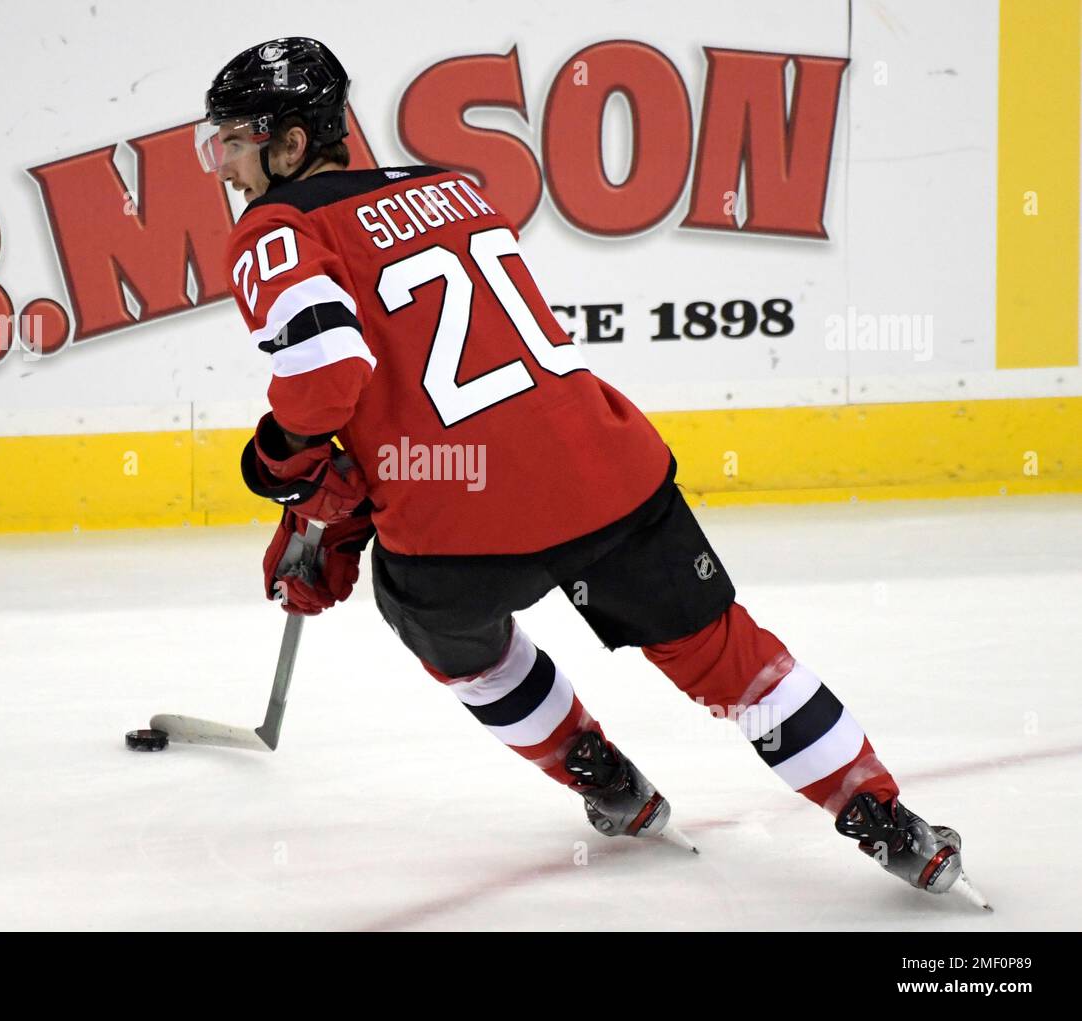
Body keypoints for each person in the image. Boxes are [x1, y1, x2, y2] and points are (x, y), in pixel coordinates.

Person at [199, 36, 970, 897]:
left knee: (453, 639)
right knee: (722, 654)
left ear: (292, 143)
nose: (223, 164)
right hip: (604, 470)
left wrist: (288, 472)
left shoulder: (276, 226)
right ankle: (882, 815)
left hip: (459, 523)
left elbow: (327, 376)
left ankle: (599, 774)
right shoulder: (453, 187)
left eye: (233, 140)